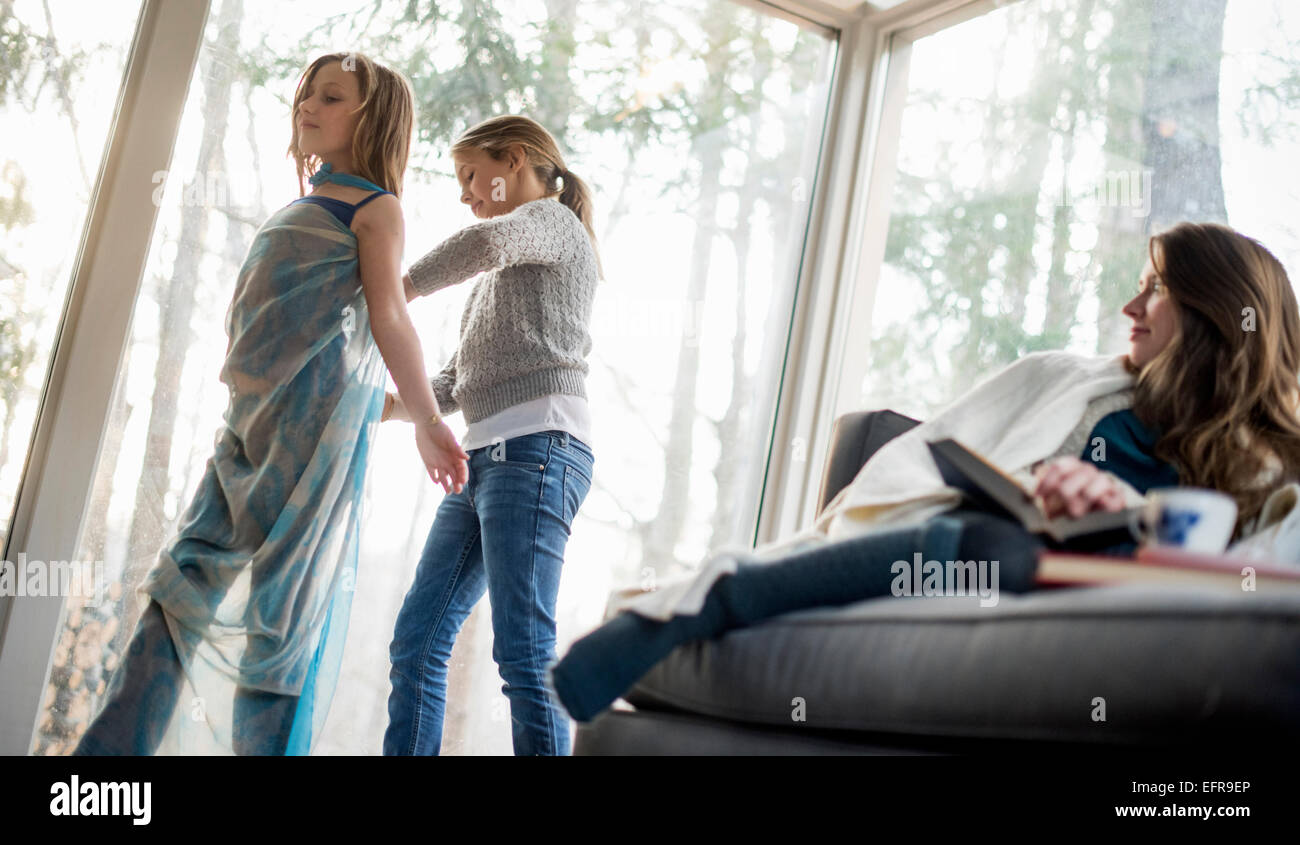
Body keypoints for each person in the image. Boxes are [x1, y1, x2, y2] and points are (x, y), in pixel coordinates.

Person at [546, 221, 1300, 724]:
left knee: (989, 546)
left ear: (1214, 311)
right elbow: (929, 464)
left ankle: (718, 593)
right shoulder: (1068, 381)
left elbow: (1261, 569)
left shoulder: (1273, 463)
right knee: (984, 540)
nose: (1130, 304)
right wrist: (1047, 485)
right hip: (1001, 557)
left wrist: (1129, 514)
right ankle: (716, 593)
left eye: (1157, 287)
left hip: (1117, 588)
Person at [74, 52, 469, 755]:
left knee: (277, 625)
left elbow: (388, 317)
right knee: (174, 597)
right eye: (306, 95)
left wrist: (429, 418)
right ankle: (101, 772)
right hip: (244, 438)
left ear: (370, 119)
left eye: (331, 97)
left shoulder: (376, 210)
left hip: (305, 449)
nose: (307, 107)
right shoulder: (300, 204)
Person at [381, 115, 603, 756]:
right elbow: (458, 381)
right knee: (417, 641)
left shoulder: (551, 224)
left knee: (523, 653)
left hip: (538, 453)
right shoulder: (503, 276)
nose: (465, 193)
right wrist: (389, 405)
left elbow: (483, 242)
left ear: (514, 161)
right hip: (487, 460)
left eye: (471, 176)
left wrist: (394, 293)